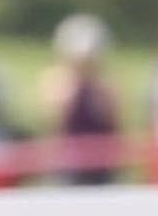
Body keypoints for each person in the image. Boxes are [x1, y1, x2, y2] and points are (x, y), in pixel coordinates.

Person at [42, 12, 121, 186]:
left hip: (101, 166)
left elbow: (110, 115)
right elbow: (56, 117)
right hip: (68, 166)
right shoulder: (57, 79)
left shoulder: (106, 84)